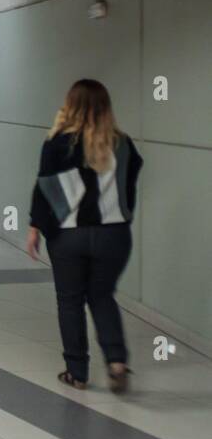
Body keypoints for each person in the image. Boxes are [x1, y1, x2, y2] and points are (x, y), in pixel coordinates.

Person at [27, 79, 142, 394]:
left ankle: (77, 372)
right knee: (102, 295)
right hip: (114, 236)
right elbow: (129, 190)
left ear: (70, 105)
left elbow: (44, 190)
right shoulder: (124, 144)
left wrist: (35, 227)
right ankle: (116, 361)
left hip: (68, 236)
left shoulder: (56, 144)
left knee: (70, 301)